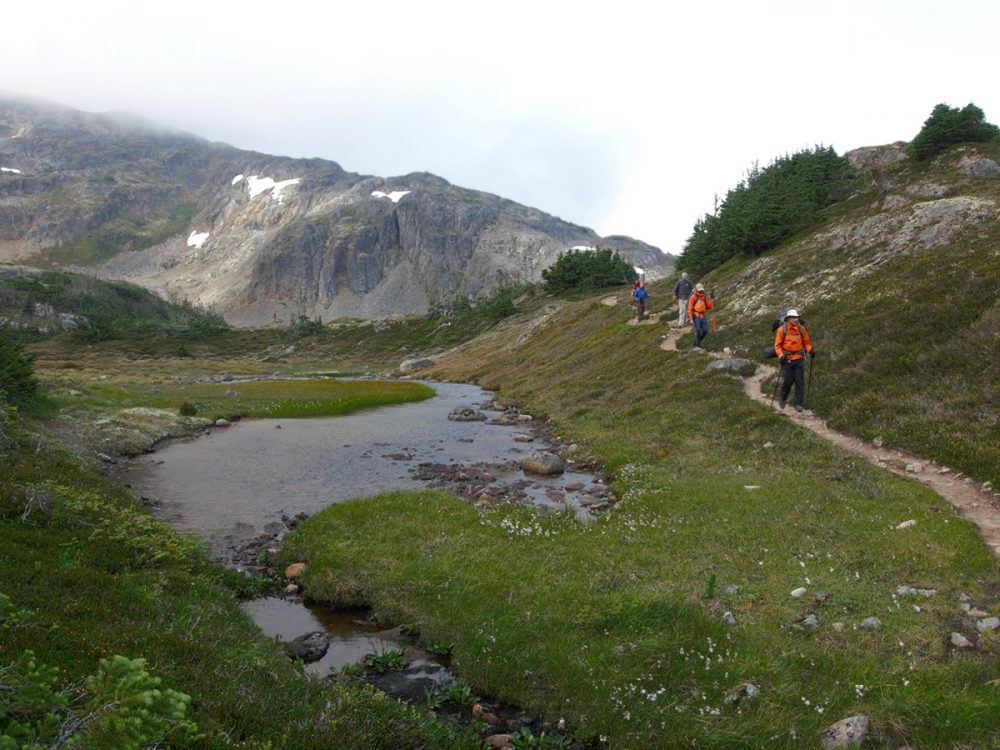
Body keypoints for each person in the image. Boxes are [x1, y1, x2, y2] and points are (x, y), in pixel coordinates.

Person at [774, 308, 814, 412]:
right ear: (788, 318)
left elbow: (806, 342)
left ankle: (798, 403)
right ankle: (783, 397)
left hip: (799, 359)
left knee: (800, 382)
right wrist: (781, 356)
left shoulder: (801, 329)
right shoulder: (782, 330)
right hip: (787, 359)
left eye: (797, 317)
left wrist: (810, 350)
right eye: (794, 317)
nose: (796, 319)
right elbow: (777, 346)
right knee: (788, 381)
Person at [687, 283, 714, 348]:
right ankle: (697, 345)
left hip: (703, 316)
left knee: (705, 331)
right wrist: (691, 319)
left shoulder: (704, 297)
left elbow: (707, 306)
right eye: (699, 290)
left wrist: (711, 301)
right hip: (696, 316)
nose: (701, 291)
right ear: (696, 289)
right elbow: (690, 309)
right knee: (698, 331)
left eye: (701, 290)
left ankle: (696, 342)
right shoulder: (693, 297)